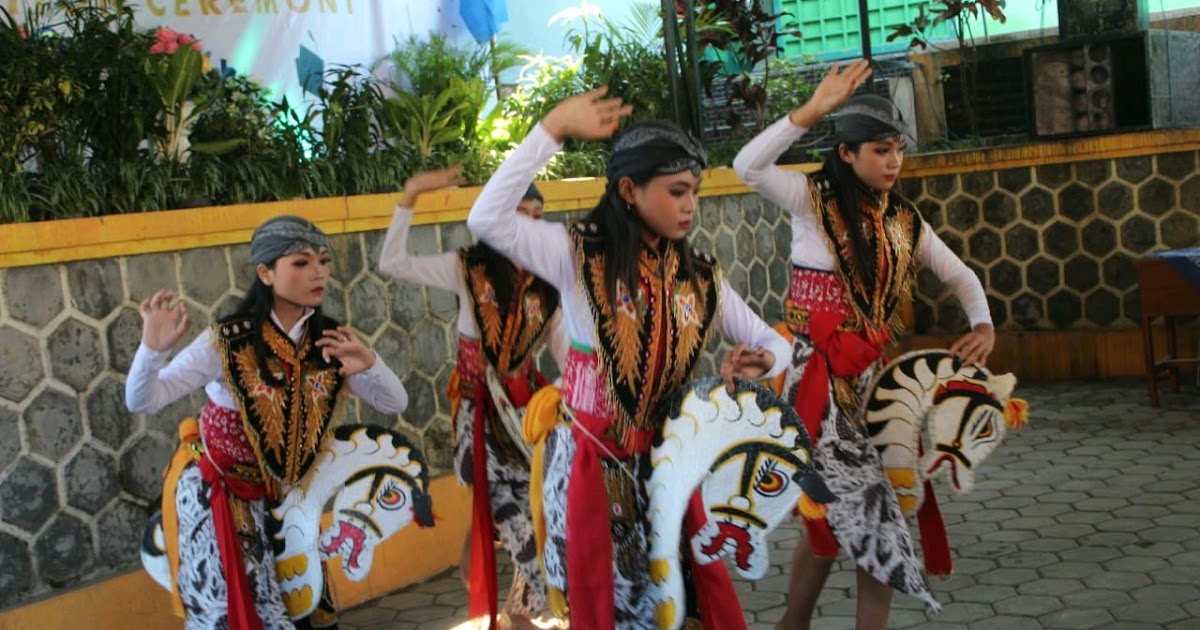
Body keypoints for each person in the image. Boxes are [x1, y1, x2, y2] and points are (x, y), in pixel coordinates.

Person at [466, 87, 794, 630]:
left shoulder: (698, 278)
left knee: (681, 605)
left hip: (667, 468)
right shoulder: (577, 255)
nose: (690, 204)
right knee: (617, 610)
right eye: (677, 191)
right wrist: (552, 129)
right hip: (596, 467)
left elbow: (774, 341)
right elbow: (487, 219)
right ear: (629, 190)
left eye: (695, 191)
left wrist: (759, 363)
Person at [732, 61, 995, 628]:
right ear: (847, 153)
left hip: (871, 381)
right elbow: (746, 166)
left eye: (897, 148)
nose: (894, 160)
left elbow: (960, 276)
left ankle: (790, 624)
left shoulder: (905, 221)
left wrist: (982, 325)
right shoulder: (810, 199)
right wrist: (813, 109)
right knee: (875, 507)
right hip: (815, 380)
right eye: (879, 149)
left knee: (840, 512)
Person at [126, 215, 409, 630]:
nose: (319, 273)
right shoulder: (226, 341)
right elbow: (143, 400)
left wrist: (369, 363)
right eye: (301, 263)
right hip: (223, 493)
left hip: (289, 498)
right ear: (265, 272)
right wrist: (151, 351)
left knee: (309, 611)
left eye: (324, 261)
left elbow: (393, 401)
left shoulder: (329, 340)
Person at [378, 167, 568, 629]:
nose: (529, 224)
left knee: (542, 519)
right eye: (518, 213)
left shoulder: (549, 286)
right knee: (525, 530)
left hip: (528, 420)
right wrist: (410, 196)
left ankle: (514, 614)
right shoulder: (468, 268)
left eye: (537, 215)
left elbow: (570, 361)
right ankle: (504, 574)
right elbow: (393, 263)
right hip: (478, 420)